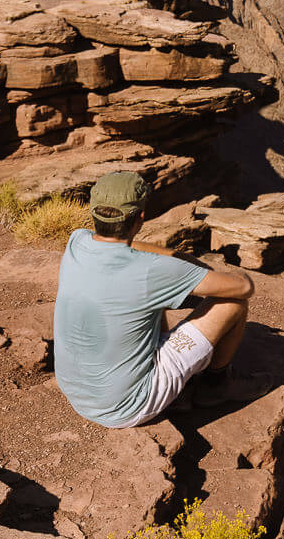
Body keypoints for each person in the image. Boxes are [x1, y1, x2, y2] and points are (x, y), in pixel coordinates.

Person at [54, 171, 271, 429]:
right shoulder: (151, 272)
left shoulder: (76, 241)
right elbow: (243, 288)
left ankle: (177, 392)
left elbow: (133, 250)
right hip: (129, 405)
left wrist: (172, 257)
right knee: (233, 305)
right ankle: (217, 385)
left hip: (79, 393)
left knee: (149, 300)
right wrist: (196, 268)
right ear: (141, 219)